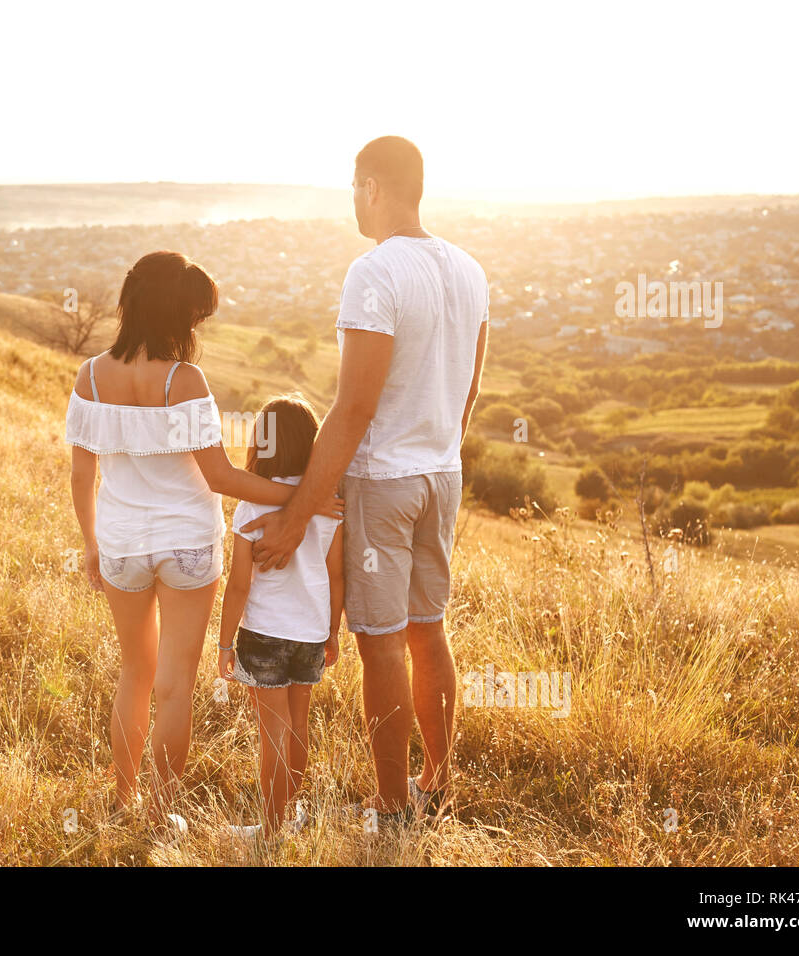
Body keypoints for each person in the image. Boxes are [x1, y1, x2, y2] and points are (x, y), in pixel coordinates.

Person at [240, 136, 490, 824]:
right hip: (442, 473)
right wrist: (439, 449)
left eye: (355, 186)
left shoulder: (374, 272)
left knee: (381, 646)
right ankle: (436, 784)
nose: (352, 198)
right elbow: (470, 388)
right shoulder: (470, 269)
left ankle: (390, 809)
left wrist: (296, 519)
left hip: (385, 480)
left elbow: (353, 408)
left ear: (374, 187)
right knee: (428, 632)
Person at [65, 251, 342, 826]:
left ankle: (123, 802)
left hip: (120, 543)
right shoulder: (182, 380)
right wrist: (305, 498)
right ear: (175, 313)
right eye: (192, 318)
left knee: (133, 673)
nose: (194, 330)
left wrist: (91, 543)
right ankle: (162, 812)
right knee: (175, 686)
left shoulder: (90, 376)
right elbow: (220, 477)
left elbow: (81, 473)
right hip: (188, 544)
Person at [217, 396, 344, 837]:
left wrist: (223, 644)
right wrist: (332, 631)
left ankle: (269, 830)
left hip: (264, 633)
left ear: (262, 443)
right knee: (298, 726)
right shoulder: (327, 507)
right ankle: (287, 817)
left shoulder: (252, 504)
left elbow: (237, 585)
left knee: (273, 731)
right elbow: (337, 576)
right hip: (310, 633)